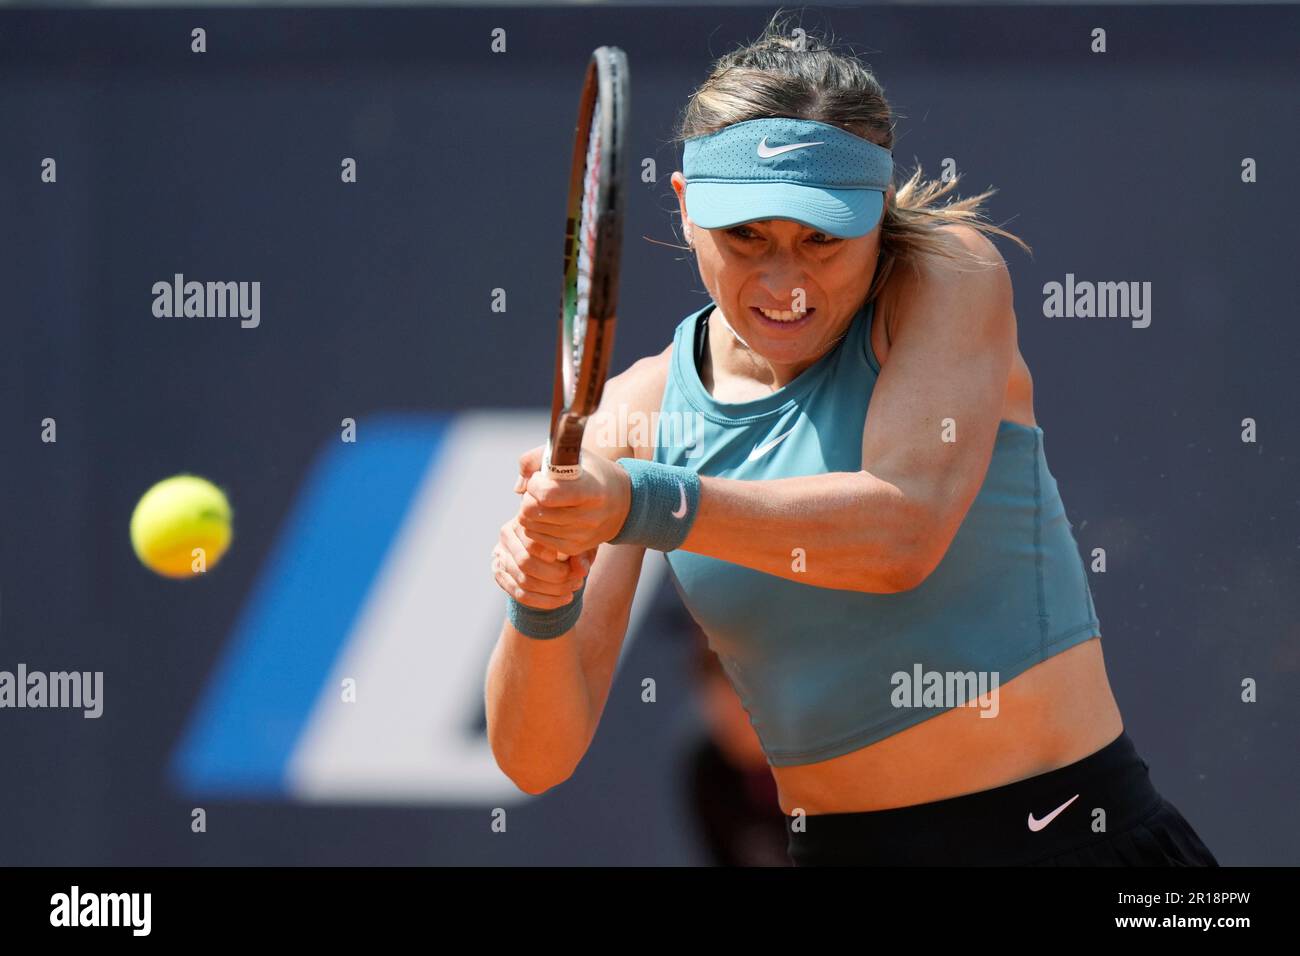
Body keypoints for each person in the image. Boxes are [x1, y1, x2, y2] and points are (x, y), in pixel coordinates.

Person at [484, 16, 1219, 866]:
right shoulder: (633, 415)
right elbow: (534, 760)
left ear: (878, 209)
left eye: (823, 239)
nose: (784, 282)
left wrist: (642, 501)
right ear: (686, 210)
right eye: (746, 237)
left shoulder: (947, 274)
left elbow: (901, 532)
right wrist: (539, 597)